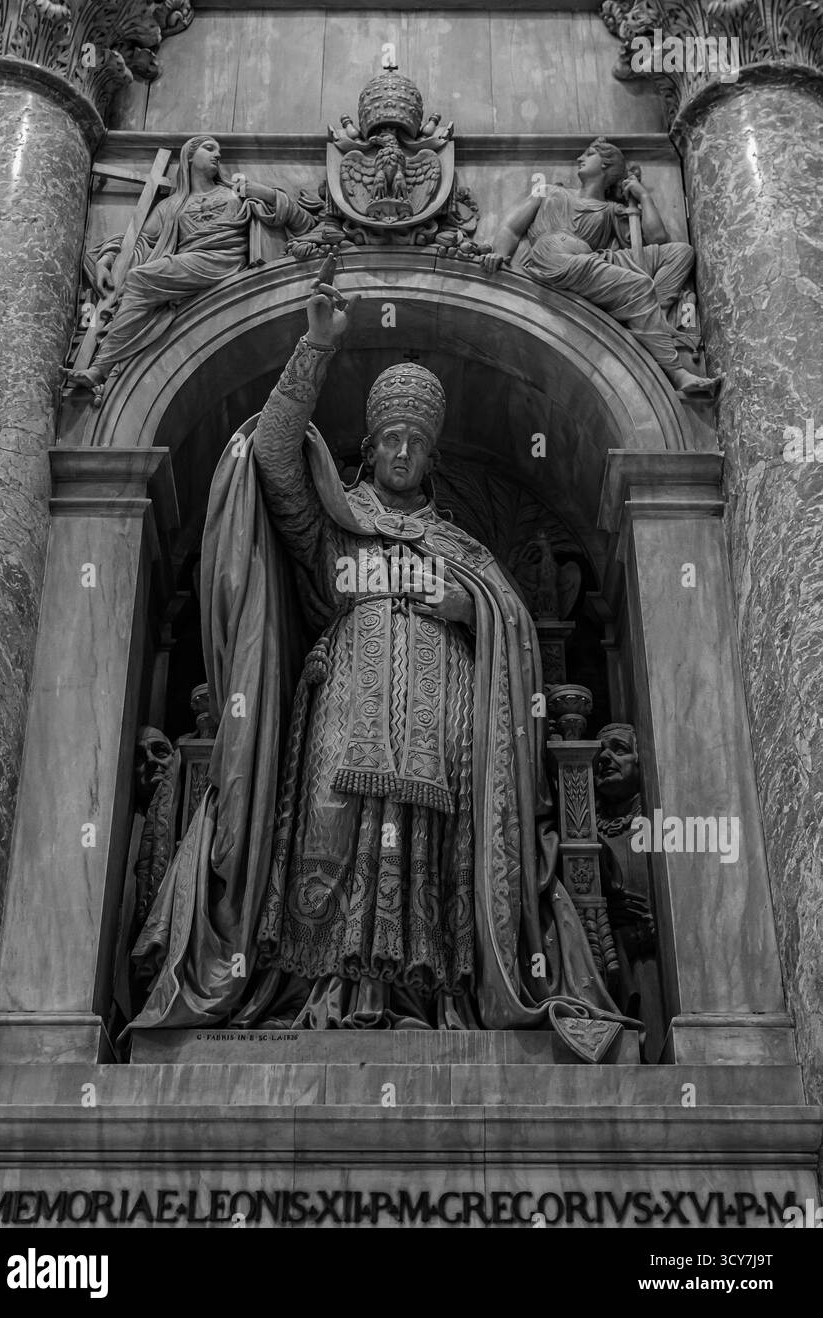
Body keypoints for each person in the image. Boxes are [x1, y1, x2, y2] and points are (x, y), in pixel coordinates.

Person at [128, 261, 628, 1037]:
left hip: (447, 715)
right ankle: (324, 987)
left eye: (415, 443)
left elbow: (517, 627)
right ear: (370, 444)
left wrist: (473, 605)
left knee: (434, 852)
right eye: (390, 438)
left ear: (432, 457)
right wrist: (315, 350)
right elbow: (271, 458)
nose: (401, 452)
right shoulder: (334, 524)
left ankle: (430, 995)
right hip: (344, 698)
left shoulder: (461, 546)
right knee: (331, 832)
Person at [64, 135, 316, 392]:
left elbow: (302, 221)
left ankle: (100, 368)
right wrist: (105, 260)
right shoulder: (171, 206)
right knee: (138, 280)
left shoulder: (235, 193)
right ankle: (101, 366)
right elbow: (140, 243)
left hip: (225, 260)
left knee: (140, 278)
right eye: (209, 149)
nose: (217, 155)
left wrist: (262, 192)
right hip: (187, 264)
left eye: (218, 150)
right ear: (189, 156)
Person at [490, 138, 719, 396]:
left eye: (589, 154)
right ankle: (676, 371)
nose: (580, 158)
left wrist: (643, 196)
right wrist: (500, 255)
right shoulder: (549, 191)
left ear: (606, 166)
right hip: (553, 256)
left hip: (595, 259)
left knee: (680, 252)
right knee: (639, 286)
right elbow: (511, 228)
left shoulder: (611, 211)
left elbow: (656, 238)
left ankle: (654, 314)